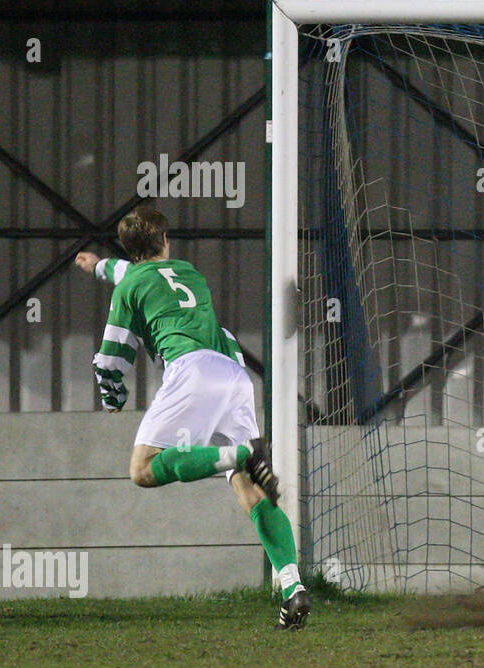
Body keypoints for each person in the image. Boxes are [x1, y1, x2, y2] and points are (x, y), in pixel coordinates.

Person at [74, 206, 309, 629]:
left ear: (129, 249)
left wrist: (113, 397)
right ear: (165, 241)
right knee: (251, 491)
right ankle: (294, 589)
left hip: (192, 371)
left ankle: (240, 453)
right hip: (234, 374)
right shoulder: (188, 272)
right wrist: (99, 267)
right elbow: (137, 270)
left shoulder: (128, 289)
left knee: (143, 470)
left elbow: (111, 358)